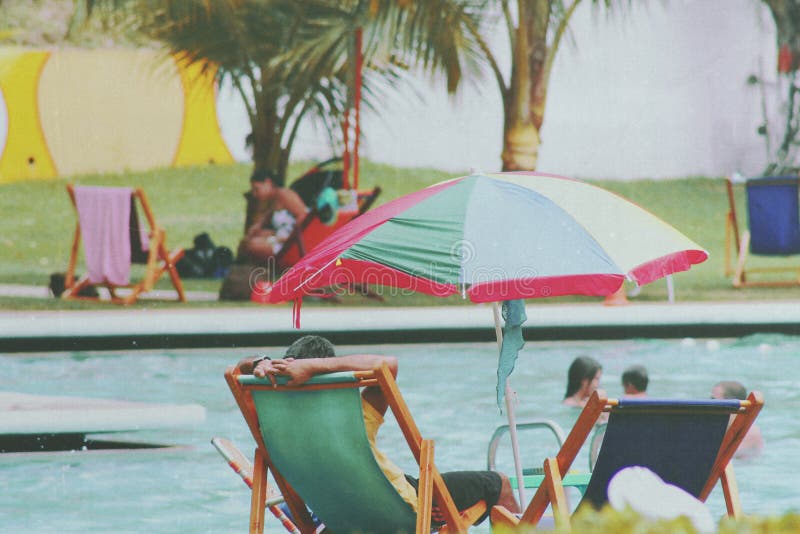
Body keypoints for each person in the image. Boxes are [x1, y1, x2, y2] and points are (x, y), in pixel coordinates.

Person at [237, 335, 520, 526]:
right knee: (499, 483)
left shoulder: (271, 426)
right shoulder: (354, 417)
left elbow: (237, 369)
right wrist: (315, 367)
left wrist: (261, 361)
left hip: (338, 517)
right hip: (404, 508)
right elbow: (387, 365)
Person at [239, 168, 308, 263]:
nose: (255, 194)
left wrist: (289, 239)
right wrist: (257, 227)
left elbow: (303, 216)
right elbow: (267, 217)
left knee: (252, 245)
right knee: (248, 240)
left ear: (268, 182)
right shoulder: (273, 199)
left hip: (291, 242)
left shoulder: (285, 195)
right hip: (282, 236)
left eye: (256, 189)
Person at [711, 380, 764, 459]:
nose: (709, 403)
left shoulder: (750, 431)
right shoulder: (722, 426)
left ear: (730, 405)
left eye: (713, 399)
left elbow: (727, 457)